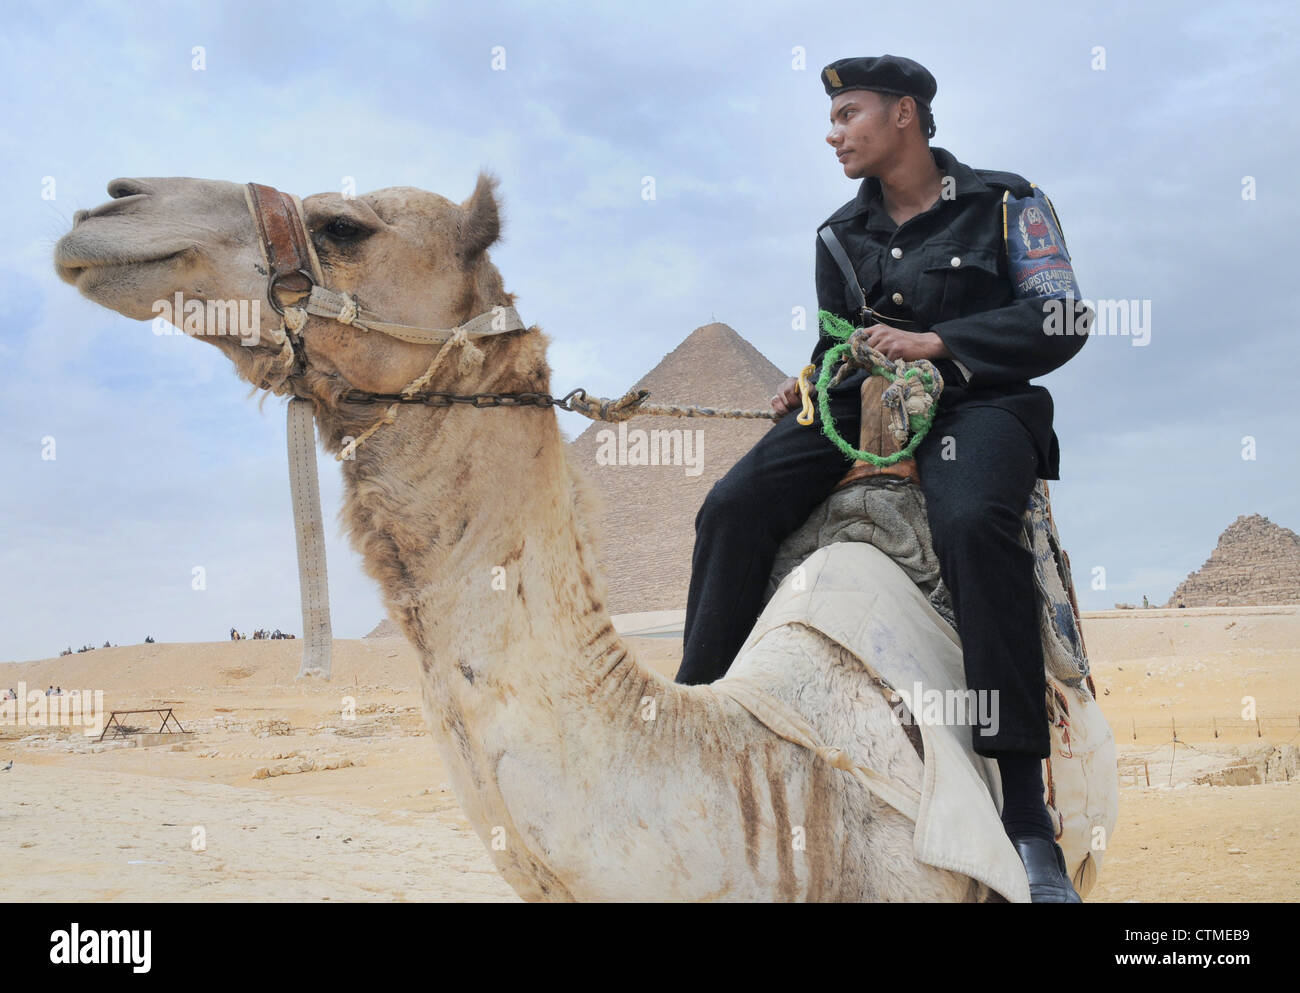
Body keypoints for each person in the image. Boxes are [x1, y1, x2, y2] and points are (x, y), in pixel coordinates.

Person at [676, 55, 1090, 901]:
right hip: (863, 403)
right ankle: (695, 722)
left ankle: (1023, 812)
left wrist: (941, 344)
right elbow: (842, 338)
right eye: (831, 120)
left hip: (981, 404)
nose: (833, 135)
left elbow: (1062, 315)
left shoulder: (1008, 204)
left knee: (974, 521)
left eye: (848, 116)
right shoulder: (837, 234)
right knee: (730, 508)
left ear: (905, 114)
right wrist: (812, 373)